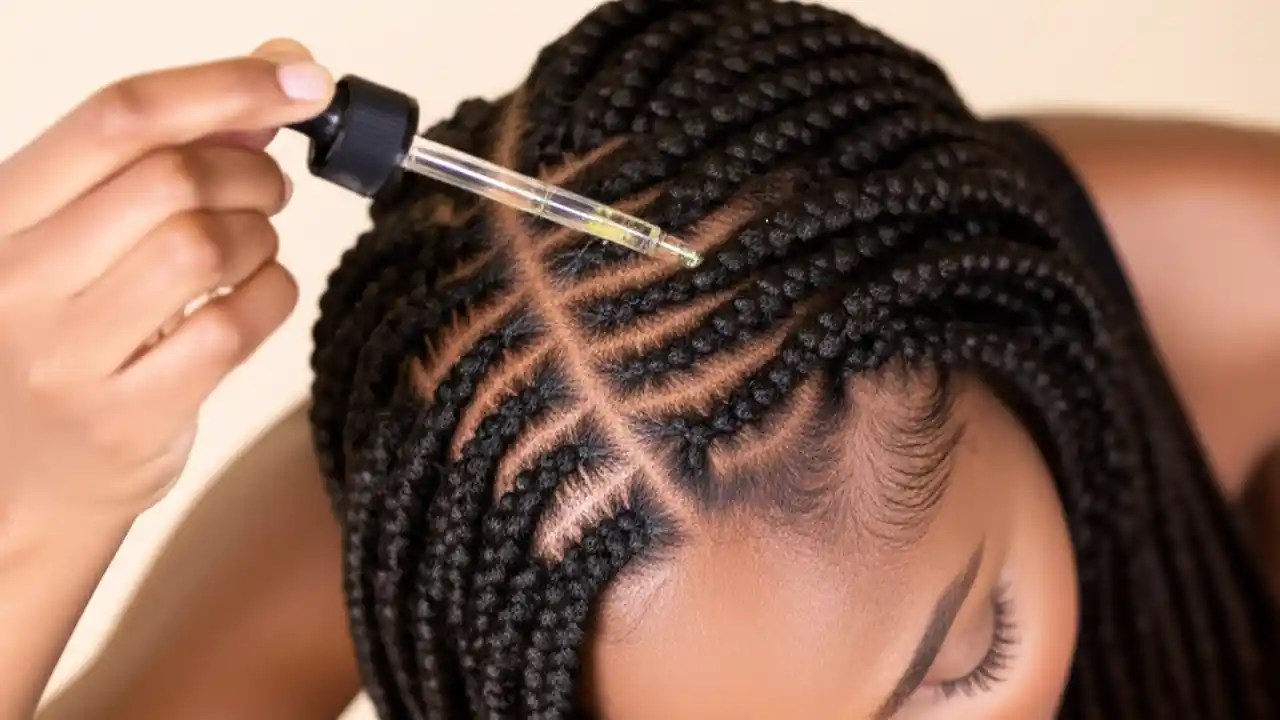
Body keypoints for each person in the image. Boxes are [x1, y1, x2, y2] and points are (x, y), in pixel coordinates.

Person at [17, 1, 1280, 718]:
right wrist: (34, 514)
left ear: (988, 338)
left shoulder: (1250, 292)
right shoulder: (459, 512)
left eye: (960, 662)